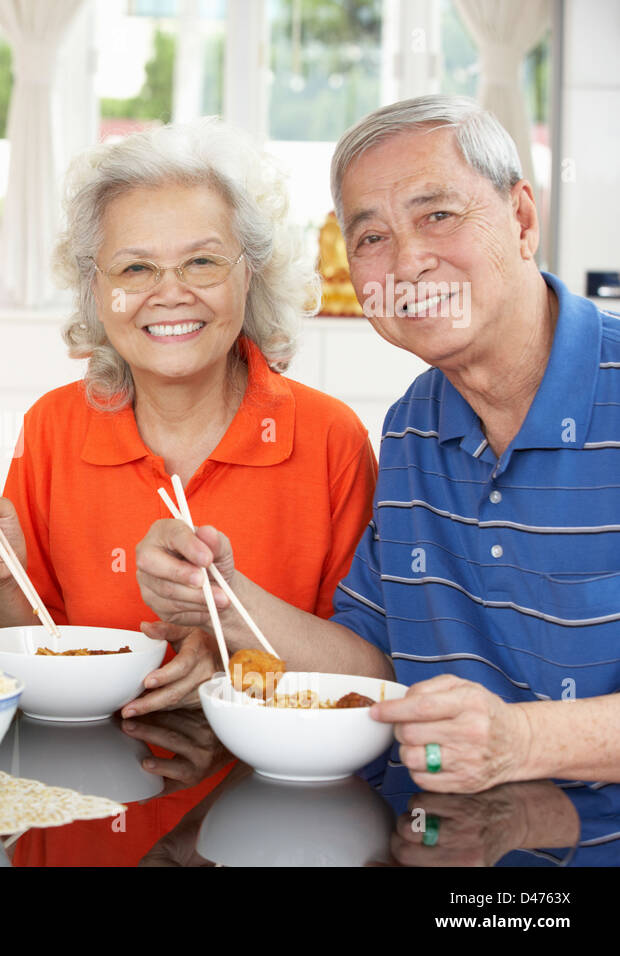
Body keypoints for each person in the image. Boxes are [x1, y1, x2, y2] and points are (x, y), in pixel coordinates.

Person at [136, 95, 620, 794]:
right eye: (371, 238)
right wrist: (220, 596)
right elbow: (373, 665)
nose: (409, 262)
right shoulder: (413, 426)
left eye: (438, 216)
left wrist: (524, 742)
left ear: (521, 219)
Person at [0, 120, 378, 864]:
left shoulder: (331, 438)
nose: (167, 295)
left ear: (252, 273)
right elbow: (23, 650)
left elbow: (370, 676)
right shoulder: (53, 427)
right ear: (97, 290)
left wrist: (233, 644)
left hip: (284, 825)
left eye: (202, 261)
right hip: (71, 813)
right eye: (134, 269)